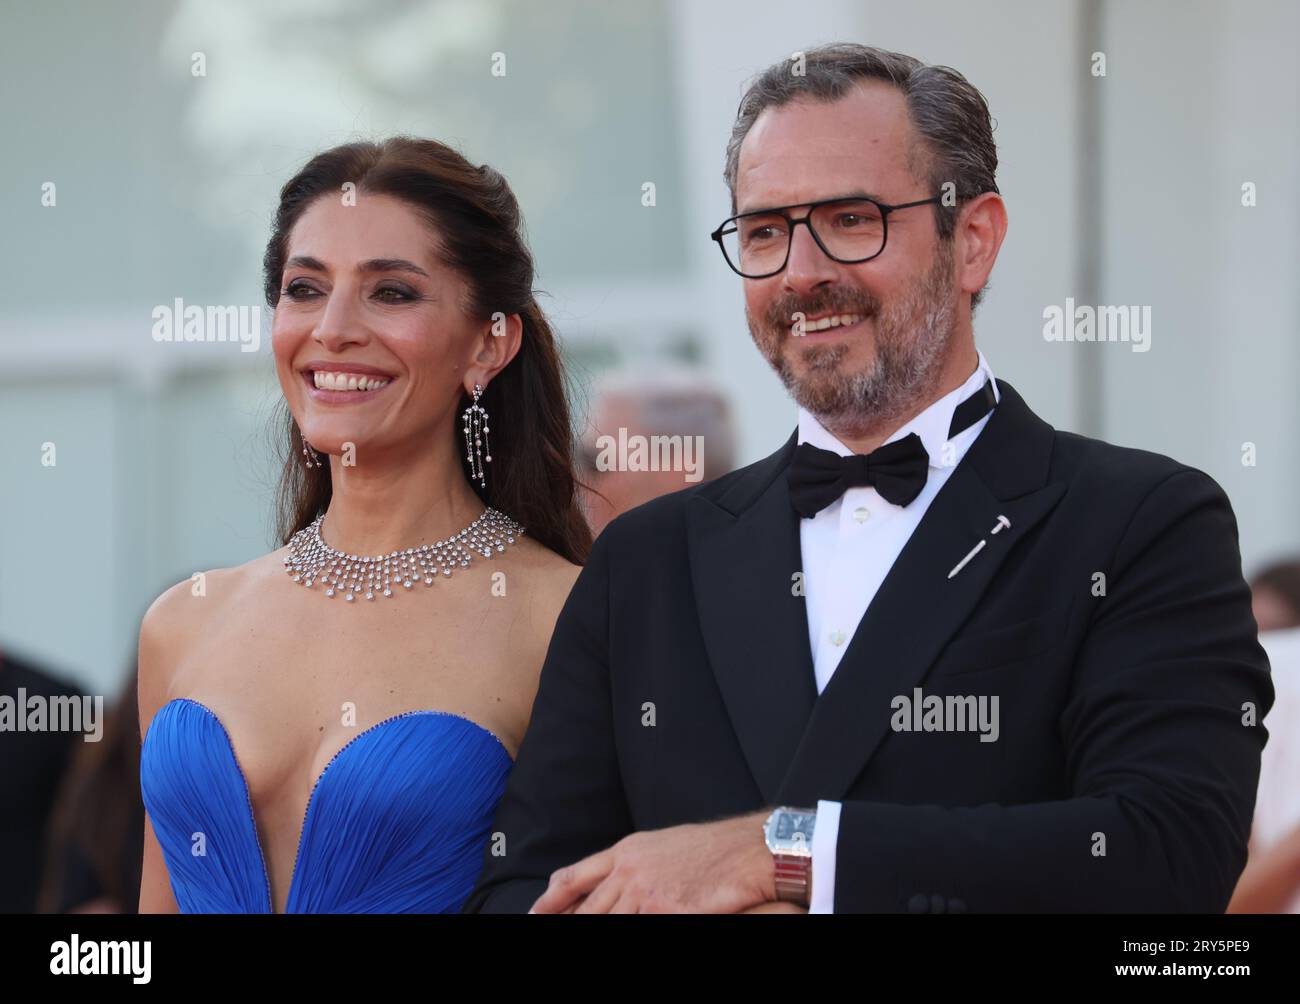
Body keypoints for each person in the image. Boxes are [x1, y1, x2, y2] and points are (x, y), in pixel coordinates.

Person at [465, 44, 1273, 914]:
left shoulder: (1141, 521)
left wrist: (783, 853)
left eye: (851, 219)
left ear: (974, 241)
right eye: (766, 232)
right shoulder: (646, 561)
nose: (802, 274)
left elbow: (1168, 851)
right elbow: (524, 891)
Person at [137, 137, 587, 913]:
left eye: (391, 293)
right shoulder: (182, 622)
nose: (333, 328)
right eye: (305, 289)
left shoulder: (571, 619)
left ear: (490, 342)